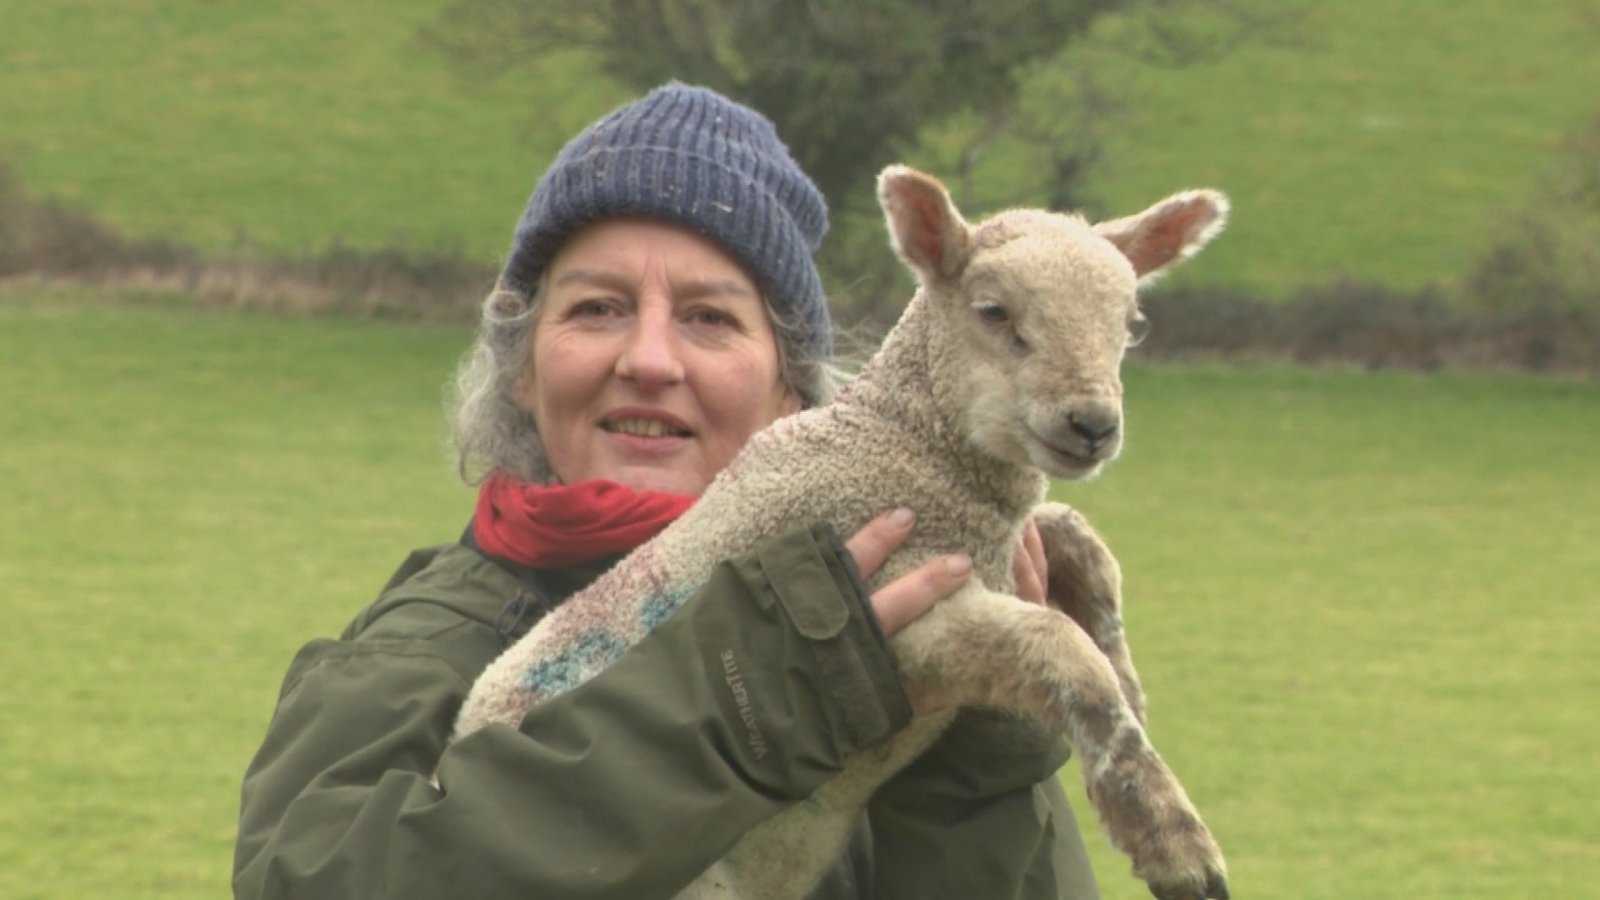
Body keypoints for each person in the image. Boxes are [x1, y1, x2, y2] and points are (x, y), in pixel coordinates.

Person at [233, 82, 1101, 899]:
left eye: (710, 318)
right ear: (523, 374)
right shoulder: (423, 647)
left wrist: (981, 755)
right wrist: (738, 700)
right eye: (597, 309)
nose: (648, 359)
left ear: (790, 395)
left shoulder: (885, 636)